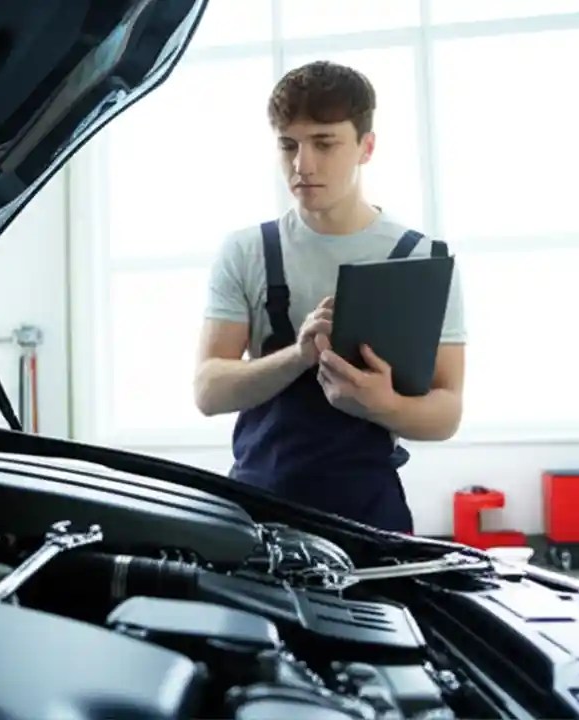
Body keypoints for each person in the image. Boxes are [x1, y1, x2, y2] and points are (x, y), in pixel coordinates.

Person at [193, 60, 467, 534]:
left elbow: (447, 412)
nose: (303, 165)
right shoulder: (246, 251)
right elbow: (208, 391)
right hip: (256, 516)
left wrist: (383, 405)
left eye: (324, 143)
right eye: (288, 145)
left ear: (367, 147)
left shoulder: (419, 259)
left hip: (368, 519)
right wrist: (298, 356)